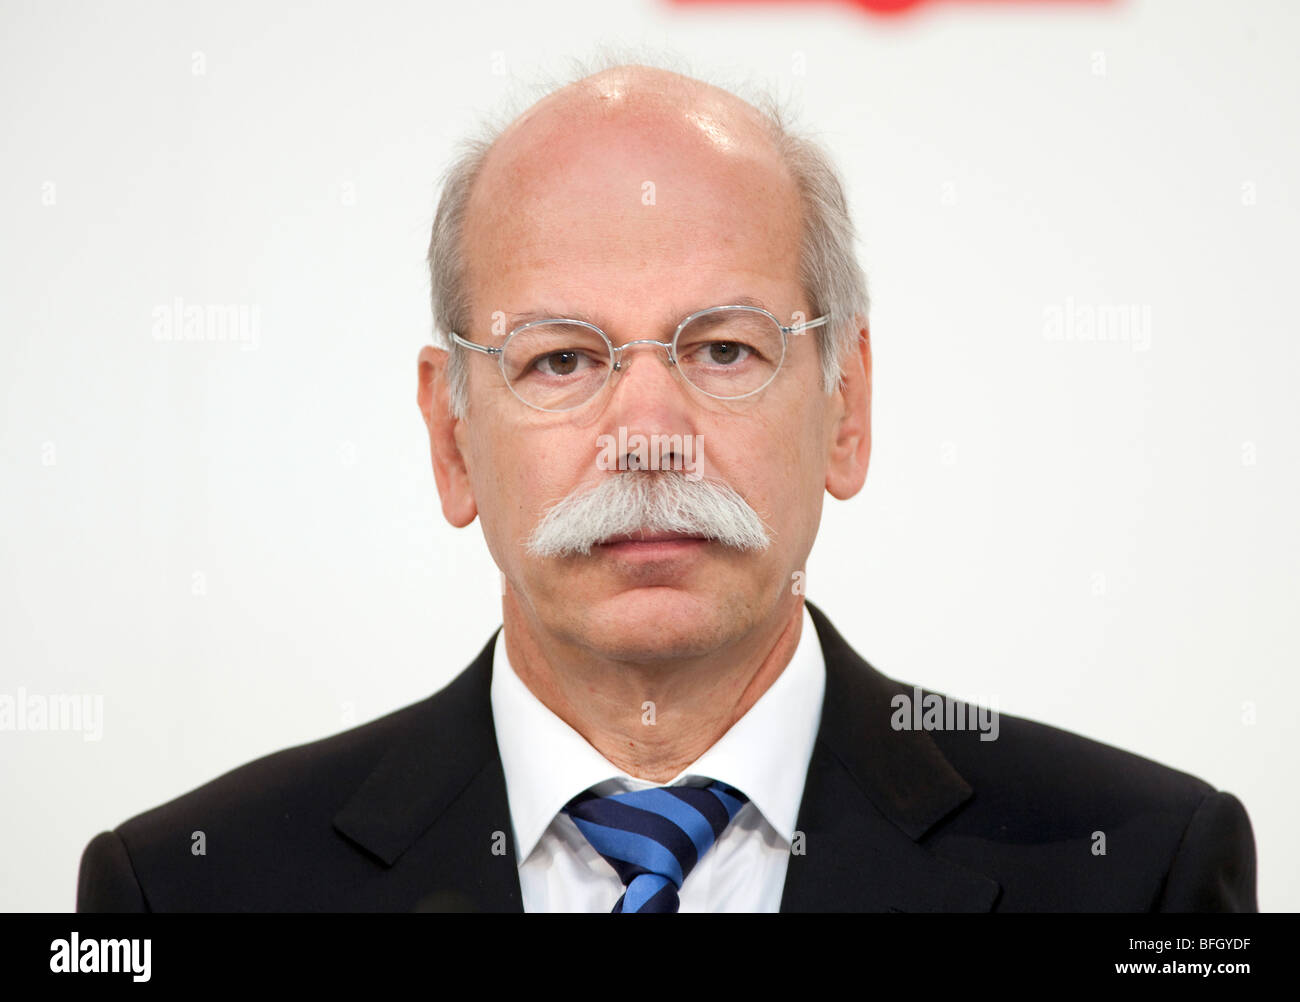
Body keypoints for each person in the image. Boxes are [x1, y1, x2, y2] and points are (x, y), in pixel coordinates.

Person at [77, 56, 1256, 913]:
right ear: (451, 437)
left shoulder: (1136, 869)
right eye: (561, 359)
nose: (648, 438)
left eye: (724, 350)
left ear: (846, 407)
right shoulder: (193, 888)